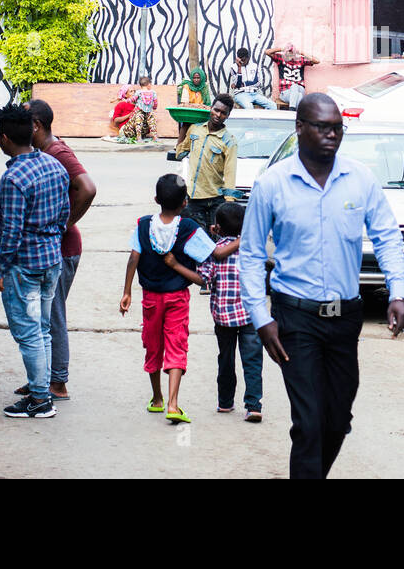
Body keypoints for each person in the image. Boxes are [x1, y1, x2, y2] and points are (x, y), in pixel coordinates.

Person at [240, 92, 404, 479]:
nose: (332, 135)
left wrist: (398, 292)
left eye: (337, 127)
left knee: (337, 420)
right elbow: (250, 255)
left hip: (344, 318)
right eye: (322, 127)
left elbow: (386, 236)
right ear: (299, 127)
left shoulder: (360, 179)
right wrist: (260, 317)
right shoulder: (272, 184)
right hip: (294, 319)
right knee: (309, 423)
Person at [0, 103, 71, 420]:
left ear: (5, 138)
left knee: (29, 333)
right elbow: (65, 215)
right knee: (43, 330)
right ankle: (43, 392)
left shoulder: (13, 179)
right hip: (52, 261)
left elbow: (10, 233)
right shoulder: (55, 167)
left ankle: (39, 399)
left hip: (25, 267)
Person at [119, 173, 216, 424]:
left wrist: (127, 291)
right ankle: (173, 404)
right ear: (185, 202)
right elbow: (211, 255)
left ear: (155, 199)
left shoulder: (143, 225)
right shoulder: (189, 228)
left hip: (151, 298)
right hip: (177, 298)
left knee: (153, 344)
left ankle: (157, 398)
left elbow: (133, 258)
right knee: (176, 344)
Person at [21, 99, 97, 402]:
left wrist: (64, 224)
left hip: (63, 248)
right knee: (41, 315)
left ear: (36, 126)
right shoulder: (45, 151)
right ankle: (42, 378)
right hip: (56, 246)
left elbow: (88, 188)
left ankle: (58, 382)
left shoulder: (58, 152)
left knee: (53, 315)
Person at [198, 202, 263, 422]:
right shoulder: (252, 247)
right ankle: (253, 405)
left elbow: (204, 277)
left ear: (218, 227)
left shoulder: (215, 251)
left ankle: (225, 402)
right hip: (250, 315)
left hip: (223, 316)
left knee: (225, 359)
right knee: (252, 360)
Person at [175, 93, 238, 234]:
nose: (218, 115)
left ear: (227, 116)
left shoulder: (229, 141)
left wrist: (228, 207)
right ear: (211, 108)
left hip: (214, 201)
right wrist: (184, 126)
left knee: (214, 242)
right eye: (216, 110)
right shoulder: (195, 129)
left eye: (223, 113)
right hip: (192, 199)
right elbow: (180, 153)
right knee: (192, 241)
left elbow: (230, 176)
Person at [265, 43, 319, 110]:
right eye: (287, 53)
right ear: (284, 53)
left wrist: (302, 53)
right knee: (298, 96)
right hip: (285, 92)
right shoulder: (280, 59)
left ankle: (291, 110)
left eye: (291, 53)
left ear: (294, 54)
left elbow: (317, 61)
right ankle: (296, 114)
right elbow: (267, 52)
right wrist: (281, 48)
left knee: (295, 86)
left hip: (300, 89)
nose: (289, 55)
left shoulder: (300, 60)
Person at [118, 75, 159, 141]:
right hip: (148, 111)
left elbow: (133, 99)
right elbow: (155, 102)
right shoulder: (153, 92)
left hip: (139, 110)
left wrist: (126, 100)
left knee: (138, 121)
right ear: (149, 84)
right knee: (152, 120)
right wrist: (154, 107)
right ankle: (155, 136)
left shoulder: (138, 92)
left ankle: (139, 136)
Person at [175, 68, 212, 140]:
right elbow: (184, 103)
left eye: (198, 78)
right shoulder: (187, 86)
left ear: (202, 78)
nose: (196, 80)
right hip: (189, 114)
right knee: (185, 125)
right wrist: (197, 106)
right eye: (194, 78)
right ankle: (179, 145)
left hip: (200, 115)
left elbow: (207, 104)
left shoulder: (204, 88)